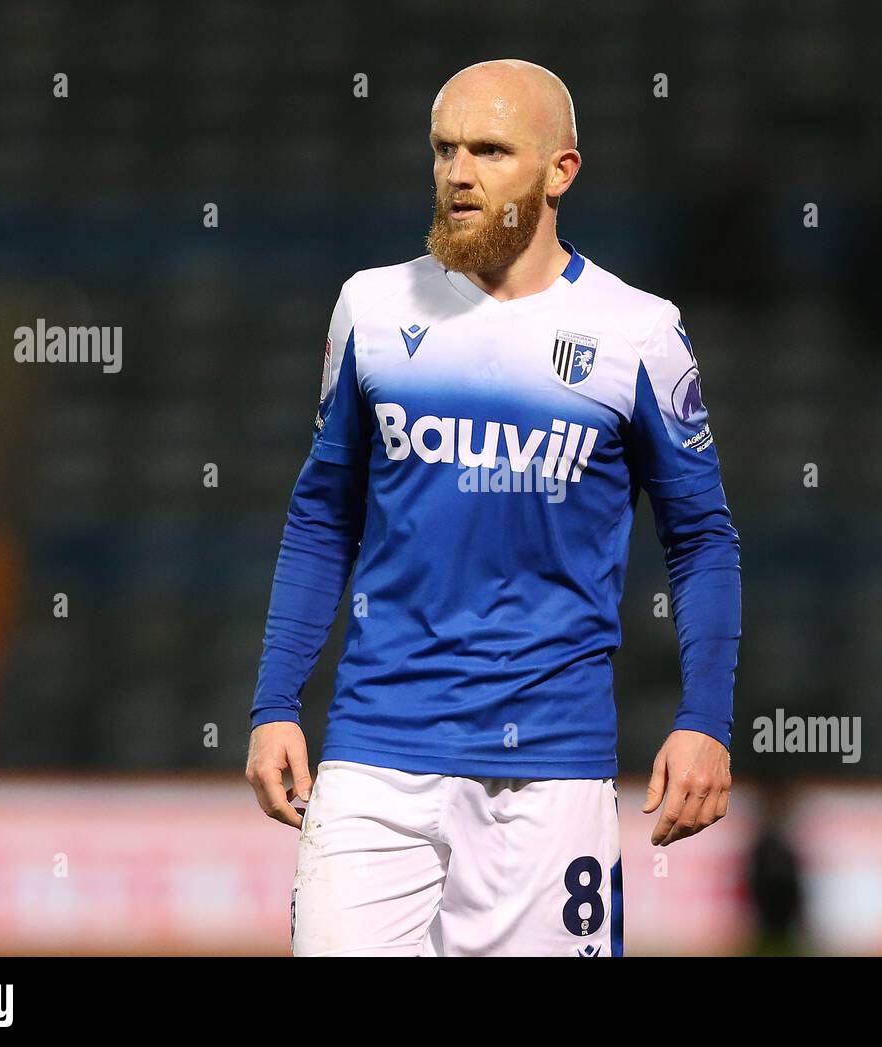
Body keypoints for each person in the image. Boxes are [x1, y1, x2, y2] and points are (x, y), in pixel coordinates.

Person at [246, 58, 742, 956]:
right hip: (373, 761)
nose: (457, 173)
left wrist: (704, 719)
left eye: (489, 150)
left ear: (561, 172)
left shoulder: (639, 333)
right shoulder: (370, 307)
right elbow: (322, 514)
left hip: (550, 774)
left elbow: (703, 538)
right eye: (443, 149)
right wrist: (276, 699)